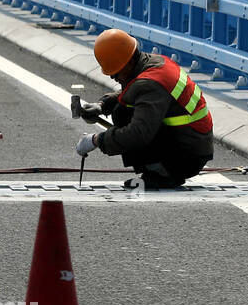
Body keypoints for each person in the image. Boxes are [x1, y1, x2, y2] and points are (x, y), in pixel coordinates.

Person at [75, 28, 214, 188]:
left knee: (123, 113)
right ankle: (159, 169)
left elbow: (138, 133)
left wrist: (96, 140)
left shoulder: (149, 84)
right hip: (194, 143)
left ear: (128, 63)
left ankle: (163, 173)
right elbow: (131, 92)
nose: (113, 77)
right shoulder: (154, 63)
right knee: (122, 107)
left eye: (115, 73)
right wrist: (102, 106)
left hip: (187, 156)